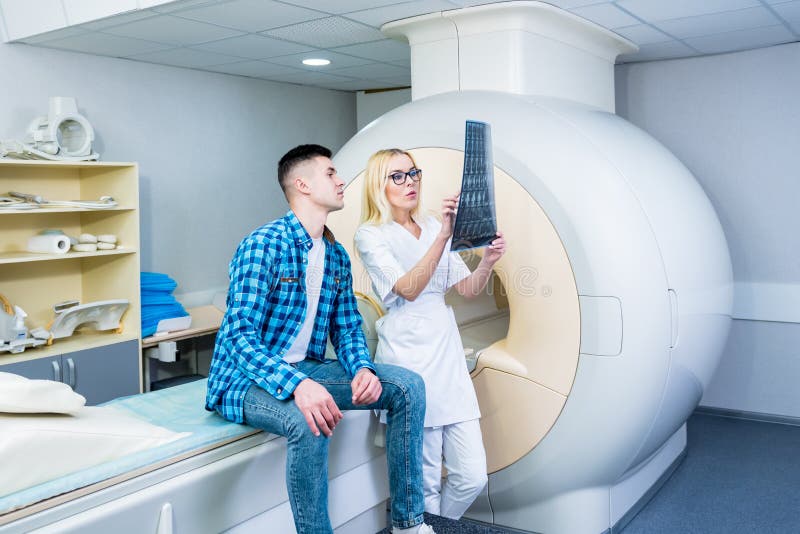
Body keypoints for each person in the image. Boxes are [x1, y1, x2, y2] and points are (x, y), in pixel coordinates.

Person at [205, 144, 435, 534]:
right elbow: (239, 337)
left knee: (407, 387)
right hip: (243, 379)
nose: (340, 180)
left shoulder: (335, 255)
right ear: (303, 184)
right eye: (330, 173)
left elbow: (347, 328)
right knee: (308, 418)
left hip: (306, 368)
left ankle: (408, 524)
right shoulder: (264, 244)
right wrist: (298, 385)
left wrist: (361, 368)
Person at [354, 148, 506, 520]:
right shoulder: (370, 235)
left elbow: (467, 289)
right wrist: (444, 237)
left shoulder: (434, 225)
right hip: (410, 359)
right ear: (378, 185)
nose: (410, 182)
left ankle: (436, 528)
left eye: (414, 173)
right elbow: (408, 288)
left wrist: (487, 261)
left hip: (447, 354)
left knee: (472, 476)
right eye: (398, 176)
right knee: (425, 486)